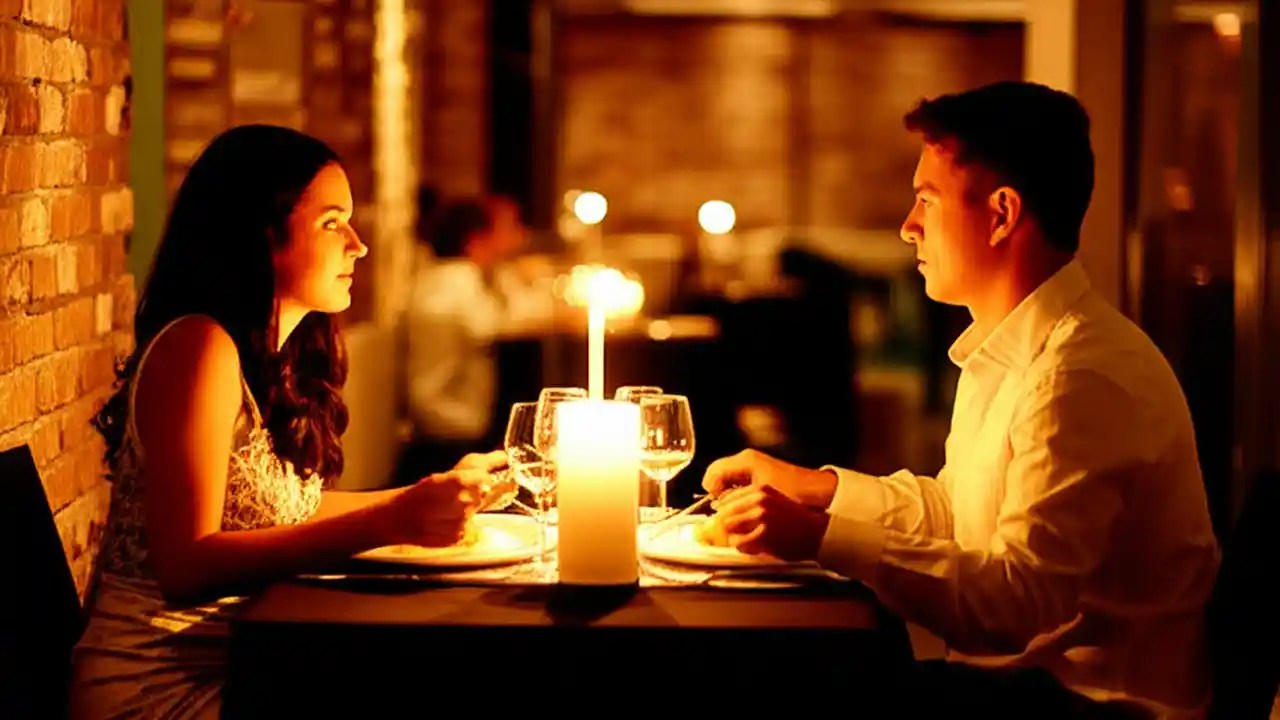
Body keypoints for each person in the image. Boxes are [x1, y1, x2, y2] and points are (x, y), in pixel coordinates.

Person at [701, 82, 1219, 718]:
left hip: (1088, 709)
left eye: (927, 200)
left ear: (1001, 214)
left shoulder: (1080, 374)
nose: (908, 226)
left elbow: (1014, 606)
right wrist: (818, 490)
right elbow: (962, 516)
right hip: (1022, 693)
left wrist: (821, 537)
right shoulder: (1015, 350)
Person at [70, 125, 508, 718]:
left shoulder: (272, 357)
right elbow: (185, 565)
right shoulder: (198, 347)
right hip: (157, 686)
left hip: (254, 659)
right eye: (332, 223)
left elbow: (284, 511)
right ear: (259, 233)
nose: (358, 245)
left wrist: (427, 497)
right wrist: (395, 520)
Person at [400, 192, 552, 481]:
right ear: (476, 238)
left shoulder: (460, 277)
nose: (521, 236)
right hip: (447, 425)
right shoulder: (454, 280)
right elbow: (498, 327)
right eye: (508, 227)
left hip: (452, 418)